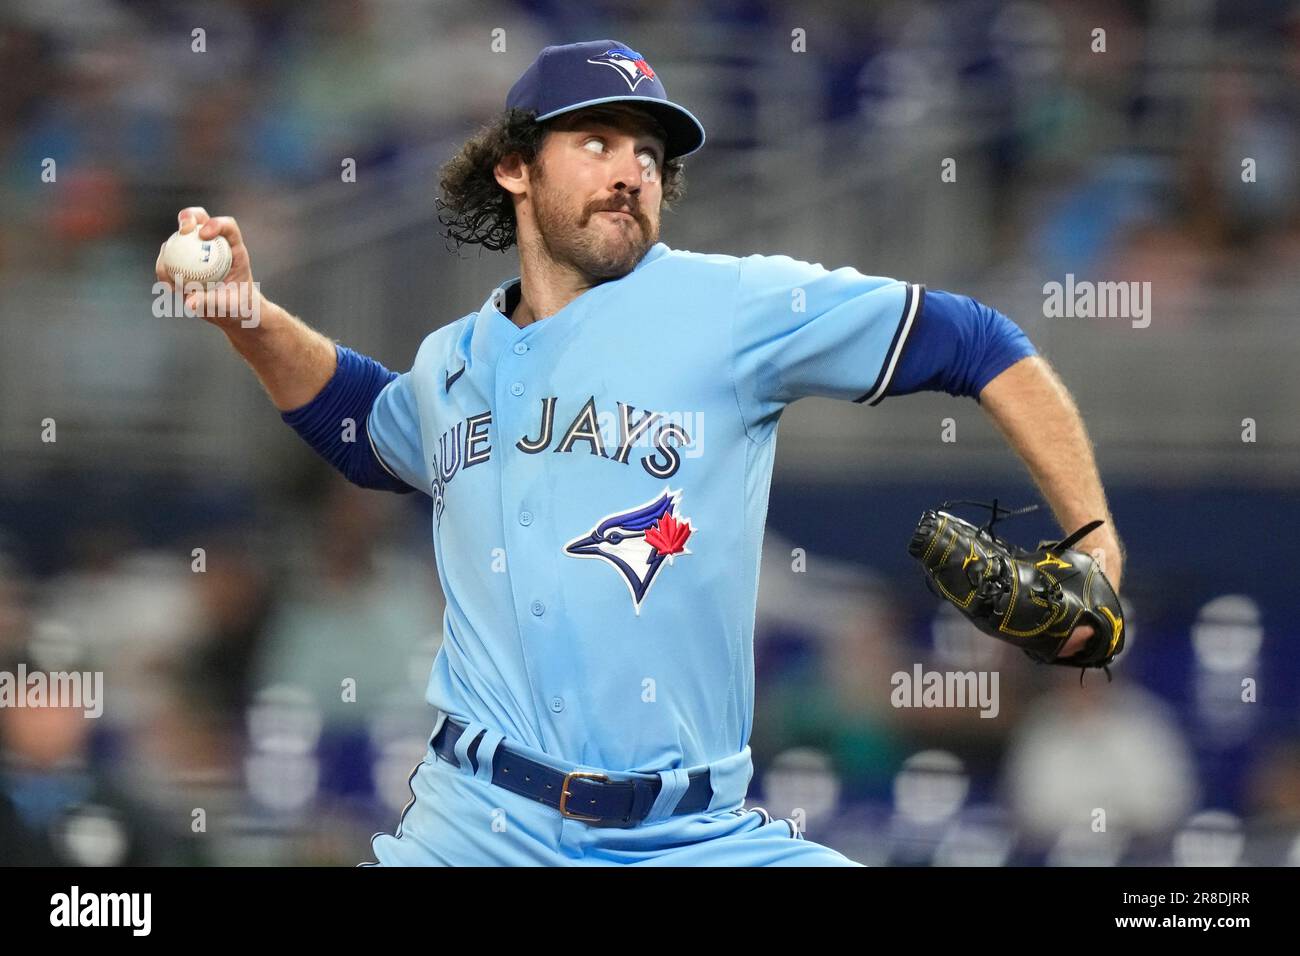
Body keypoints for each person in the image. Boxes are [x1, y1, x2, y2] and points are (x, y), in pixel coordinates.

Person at [156, 40, 1124, 866]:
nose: (630, 170)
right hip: (479, 827)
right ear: (514, 167)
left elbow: (977, 342)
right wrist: (247, 315)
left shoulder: (732, 307)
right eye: (597, 142)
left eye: (649, 154)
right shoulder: (454, 359)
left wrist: (1094, 541)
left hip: (692, 833)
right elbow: (371, 429)